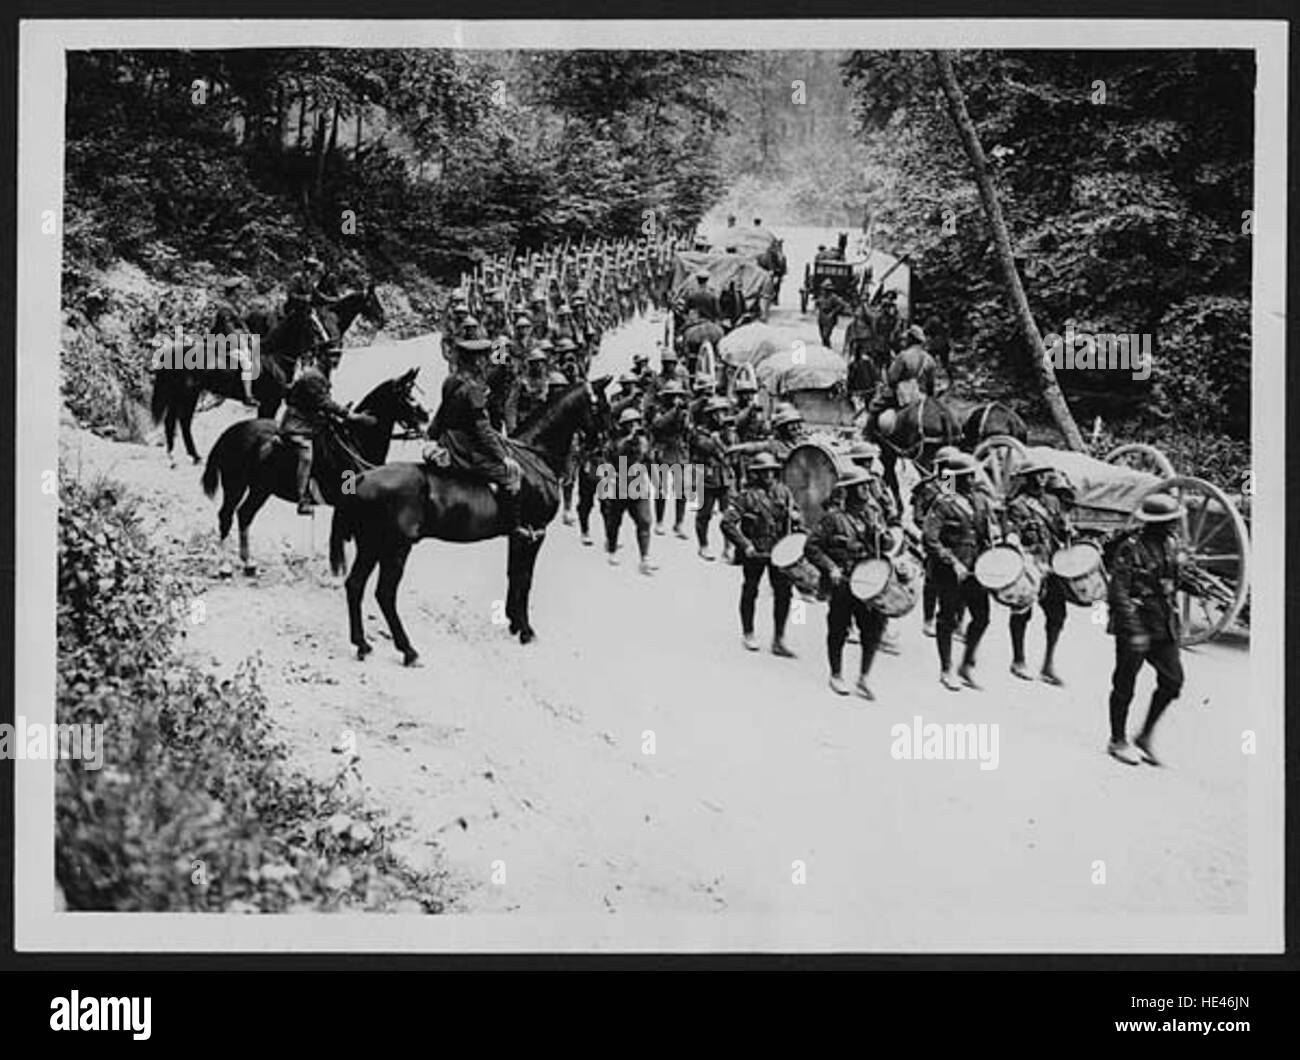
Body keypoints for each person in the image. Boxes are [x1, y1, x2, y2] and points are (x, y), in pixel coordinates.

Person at [1105, 493, 1190, 766]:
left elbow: (1173, 575)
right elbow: (1118, 593)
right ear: (1156, 523)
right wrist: (1134, 630)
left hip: (1163, 623)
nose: (1175, 524)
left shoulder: (1171, 543)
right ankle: (1117, 740)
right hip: (1136, 626)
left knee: (1173, 681)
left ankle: (1145, 735)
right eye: (1170, 521)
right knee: (1124, 685)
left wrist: (1188, 584)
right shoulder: (1131, 547)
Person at [428, 337, 529, 539]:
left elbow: (443, 412)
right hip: (464, 447)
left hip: (447, 441)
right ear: (476, 362)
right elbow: (482, 428)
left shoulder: (451, 380)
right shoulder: (474, 388)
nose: (487, 362)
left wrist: (432, 434)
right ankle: (513, 526)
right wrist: (503, 456)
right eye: (483, 359)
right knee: (512, 474)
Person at [805, 462, 889, 699]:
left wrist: (881, 535)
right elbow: (812, 546)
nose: (867, 489)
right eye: (861, 486)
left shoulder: (874, 514)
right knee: (838, 629)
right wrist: (830, 568)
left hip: (868, 580)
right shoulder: (833, 519)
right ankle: (836, 673)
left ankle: (864, 677)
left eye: (867, 485)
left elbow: (889, 543)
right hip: (843, 581)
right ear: (850, 490)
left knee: (871, 630)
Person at [923, 451, 998, 691]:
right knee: (947, 619)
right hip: (949, 572)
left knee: (982, 617)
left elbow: (989, 531)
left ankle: (966, 665)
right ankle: (946, 669)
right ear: (956, 478)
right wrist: (952, 562)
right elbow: (930, 539)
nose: (972, 480)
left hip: (976, 570)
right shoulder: (943, 503)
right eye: (966, 476)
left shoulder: (980, 500)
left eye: (972, 475)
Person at [721, 452, 799, 656]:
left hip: (780, 551)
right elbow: (727, 523)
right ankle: (748, 632)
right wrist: (745, 545)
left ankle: (779, 638)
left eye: (771, 471)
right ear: (755, 474)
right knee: (750, 591)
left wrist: (795, 517)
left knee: (784, 594)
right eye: (763, 471)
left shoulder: (784, 492)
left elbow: (796, 516)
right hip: (755, 551)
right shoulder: (746, 497)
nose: (768, 475)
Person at [1004, 457, 1072, 685]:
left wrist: (1067, 530)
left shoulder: (1052, 502)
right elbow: (1013, 536)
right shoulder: (1018, 505)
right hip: (1030, 564)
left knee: (1057, 614)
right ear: (1029, 478)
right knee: (1022, 612)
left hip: (1051, 564)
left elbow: (1062, 530)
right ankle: (1018, 660)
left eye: (1045, 474)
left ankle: (1048, 664)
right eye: (1038, 474)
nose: (1043, 479)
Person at [280, 349, 369, 516]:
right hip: (298, 425)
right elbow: (324, 402)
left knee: (342, 450)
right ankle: (303, 497)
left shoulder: (322, 374)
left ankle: (347, 490)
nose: (336, 360)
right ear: (321, 357)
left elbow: (321, 402)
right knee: (306, 455)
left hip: (315, 423)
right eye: (332, 356)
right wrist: (350, 415)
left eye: (338, 356)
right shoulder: (312, 376)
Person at [600, 407, 656, 575]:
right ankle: (612, 549)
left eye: (636, 422)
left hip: (638, 483)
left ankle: (645, 559)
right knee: (614, 520)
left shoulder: (643, 441)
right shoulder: (614, 442)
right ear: (622, 425)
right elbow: (616, 454)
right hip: (620, 484)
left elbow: (649, 460)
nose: (634, 426)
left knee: (645, 521)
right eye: (629, 424)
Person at [690, 396, 735, 561]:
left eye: (723, 412)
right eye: (718, 413)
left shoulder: (727, 431)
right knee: (704, 515)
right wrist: (717, 438)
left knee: (729, 515)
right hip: (706, 478)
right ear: (710, 415)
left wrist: (727, 433)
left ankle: (728, 548)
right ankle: (703, 545)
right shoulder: (699, 432)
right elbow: (707, 447)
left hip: (723, 478)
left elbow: (732, 451)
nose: (721, 416)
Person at [648, 378, 691, 537]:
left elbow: (687, 428)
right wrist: (674, 411)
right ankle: (659, 521)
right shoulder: (657, 408)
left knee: (682, 490)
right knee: (661, 489)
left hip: (678, 451)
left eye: (677, 395)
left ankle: (679, 523)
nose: (675, 397)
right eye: (672, 395)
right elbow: (658, 424)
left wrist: (683, 415)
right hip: (663, 450)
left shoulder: (682, 410)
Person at [886, 324, 938, 407]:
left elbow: (892, 379)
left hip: (903, 398)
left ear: (911, 339)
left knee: (874, 409)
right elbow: (931, 385)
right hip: (922, 398)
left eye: (906, 339)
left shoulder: (902, 356)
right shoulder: (930, 359)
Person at [816, 280, 850, 348]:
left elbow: (842, 304)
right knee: (822, 334)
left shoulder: (834, 297)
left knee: (827, 334)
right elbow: (818, 303)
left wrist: (834, 312)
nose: (824, 291)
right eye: (824, 289)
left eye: (826, 290)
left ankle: (827, 346)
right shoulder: (821, 296)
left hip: (830, 317)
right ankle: (825, 346)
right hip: (822, 317)